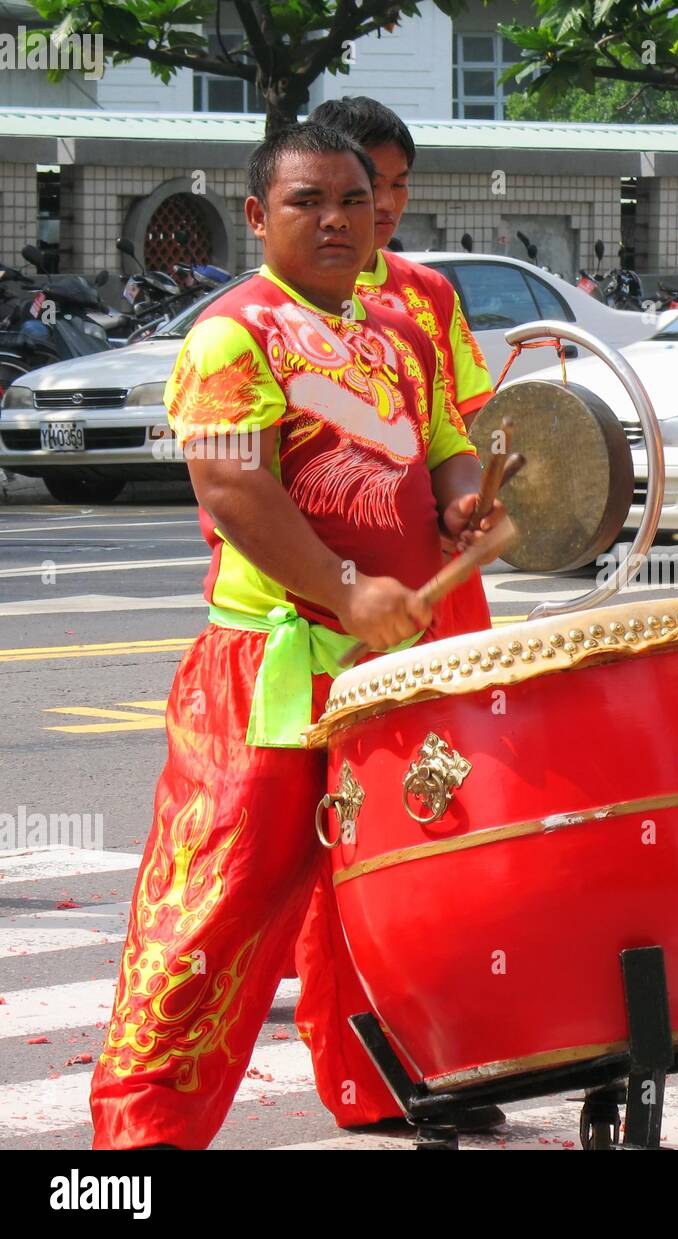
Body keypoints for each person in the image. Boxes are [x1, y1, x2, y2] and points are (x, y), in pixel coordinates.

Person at [88, 122, 505, 1149]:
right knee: (210, 923)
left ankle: (381, 1082)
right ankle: (134, 1156)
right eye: (307, 202)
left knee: (388, 893)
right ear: (256, 216)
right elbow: (232, 487)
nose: (334, 220)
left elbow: (450, 443)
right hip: (268, 676)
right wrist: (345, 587)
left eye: (353, 202)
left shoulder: (400, 330)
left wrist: (462, 505)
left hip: (384, 672)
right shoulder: (232, 333)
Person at [293, 95, 501, 1133]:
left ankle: (450, 1057)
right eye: (357, 189)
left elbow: (453, 425)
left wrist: (466, 495)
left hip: (444, 598)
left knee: (451, 828)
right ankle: (368, 1079)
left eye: (391, 190)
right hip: (341, 613)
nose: (376, 210)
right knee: (354, 846)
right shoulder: (271, 318)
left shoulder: (423, 296)